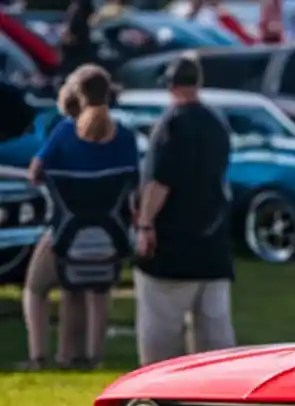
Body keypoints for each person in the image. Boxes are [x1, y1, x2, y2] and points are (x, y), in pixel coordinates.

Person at [23, 64, 139, 371]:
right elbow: (135, 183)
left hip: (67, 234)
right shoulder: (125, 137)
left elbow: (36, 172)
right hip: (111, 237)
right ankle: (89, 356)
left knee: (35, 288)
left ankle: (37, 355)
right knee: (93, 292)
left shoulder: (64, 132)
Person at [132, 53, 235, 367]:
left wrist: (146, 225)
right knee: (215, 336)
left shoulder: (171, 124)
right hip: (214, 244)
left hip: (174, 245)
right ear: (198, 82)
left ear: (170, 85)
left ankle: (159, 387)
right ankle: (218, 392)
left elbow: (159, 183)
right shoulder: (217, 122)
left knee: (160, 327)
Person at [59, 1, 96, 76]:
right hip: (75, 49)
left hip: (77, 50)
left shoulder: (81, 11)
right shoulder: (75, 8)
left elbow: (77, 36)